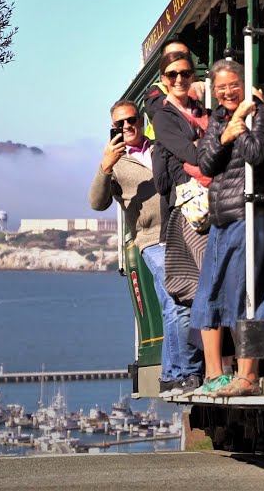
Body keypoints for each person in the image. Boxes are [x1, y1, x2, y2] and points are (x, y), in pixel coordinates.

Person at [88, 101, 202, 395]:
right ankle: (186, 372)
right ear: (113, 128)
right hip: (151, 240)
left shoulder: (160, 148)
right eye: (120, 123)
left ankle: (171, 376)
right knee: (179, 301)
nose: (127, 126)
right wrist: (105, 166)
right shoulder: (116, 163)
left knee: (174, 304)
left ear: (141, 120)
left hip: (182, 230)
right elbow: (97, 202)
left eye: (131, 120)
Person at [194, 59, 264, 397]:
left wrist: (241, 120)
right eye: (221, 87)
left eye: (233, 85)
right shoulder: (217, 119)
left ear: (245, 84)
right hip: (220, 218)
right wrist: (226, 133)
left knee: (245, 293)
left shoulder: (259, 112)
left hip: (247, 213)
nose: (227, 92)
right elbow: (206, 163)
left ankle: (247, 375)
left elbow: (257, 153)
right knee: (209, 294)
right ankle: (214, 375)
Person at [147, 50, 214, 385]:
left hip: (217, 205)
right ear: (163, 80)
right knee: (191, 292)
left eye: (185, 73)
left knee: (215, 287)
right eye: (172, 75)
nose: (179, 80)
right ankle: (191, 370)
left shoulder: (202, 109)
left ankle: (207, 368)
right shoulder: (163, 116)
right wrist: (214, 147)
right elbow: (189, 154)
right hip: (189, 213)